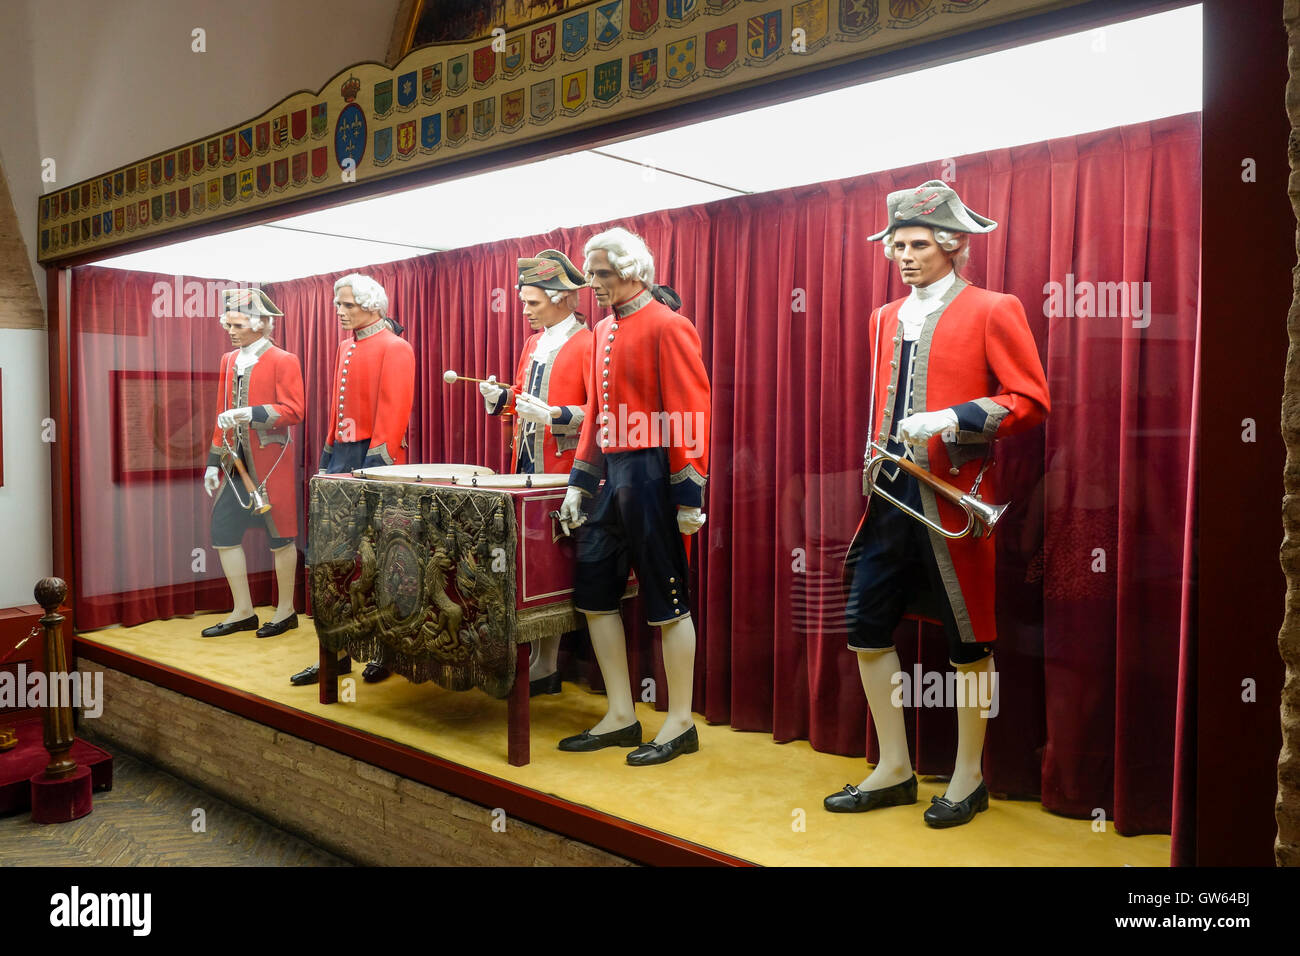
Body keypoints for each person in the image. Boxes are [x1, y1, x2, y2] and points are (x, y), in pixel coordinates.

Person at [829, 180, 1050, 827]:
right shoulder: (880, 318)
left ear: (953, 245)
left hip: (955, 500)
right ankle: (894, 767)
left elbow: (1029, 400)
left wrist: (951, 420)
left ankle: (968, 776)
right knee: (866, 627)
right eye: (896, 243)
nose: (904, 253)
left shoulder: (994, 307)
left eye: (918, 242)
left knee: (968, 639)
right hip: (887, 494)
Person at [556, 227, 710, 766]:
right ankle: (622, 713)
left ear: (632, 271)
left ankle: (680, 721)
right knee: (594, 591)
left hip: (651, 473)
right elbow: (596, 413)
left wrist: (689, 491)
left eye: (601, 273)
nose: (592, 283)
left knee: (667, 598)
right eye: (591, 272)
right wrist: (579, 482)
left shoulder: (670, 326)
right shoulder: (600, 331)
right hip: (611, 474)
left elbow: (691, 409)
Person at [290, 273, 415, 686]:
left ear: (372, 305)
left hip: (375, 459)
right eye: (338, 305)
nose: (340, 312)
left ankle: (387, 650)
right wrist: (328, 457)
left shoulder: (395, 347)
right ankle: (338, 654)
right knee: (335, 559)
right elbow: (336, 408)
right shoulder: (346, 346)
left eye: (347, 305)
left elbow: (393, 413)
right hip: (344, 455)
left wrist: (374, 469)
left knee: (380, 559)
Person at [479, 249, 594, 695]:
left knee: (551, 567)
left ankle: (548, 665)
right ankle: (537, 663)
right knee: (527, 565)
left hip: (564, 472)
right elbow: (523, 402)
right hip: (524, 464)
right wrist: (499, 397)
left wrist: (554, 416)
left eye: (533, 302)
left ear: (562, 298)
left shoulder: (587, 342)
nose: (525, 311)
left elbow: (598, 413)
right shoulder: (533, 343)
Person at [201, 288, 305, 638]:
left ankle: (286, 609)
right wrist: (213, 462)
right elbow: (220, 412)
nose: (231, 330)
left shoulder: (283, 359)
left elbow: (294, 411)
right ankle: (243, 610)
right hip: (234, 463)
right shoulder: (228, 361)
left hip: (270, 461)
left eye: (238, 324)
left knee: (281, 537)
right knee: (223, 533)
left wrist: (251, 413)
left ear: (260, 325)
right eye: (228, 324)